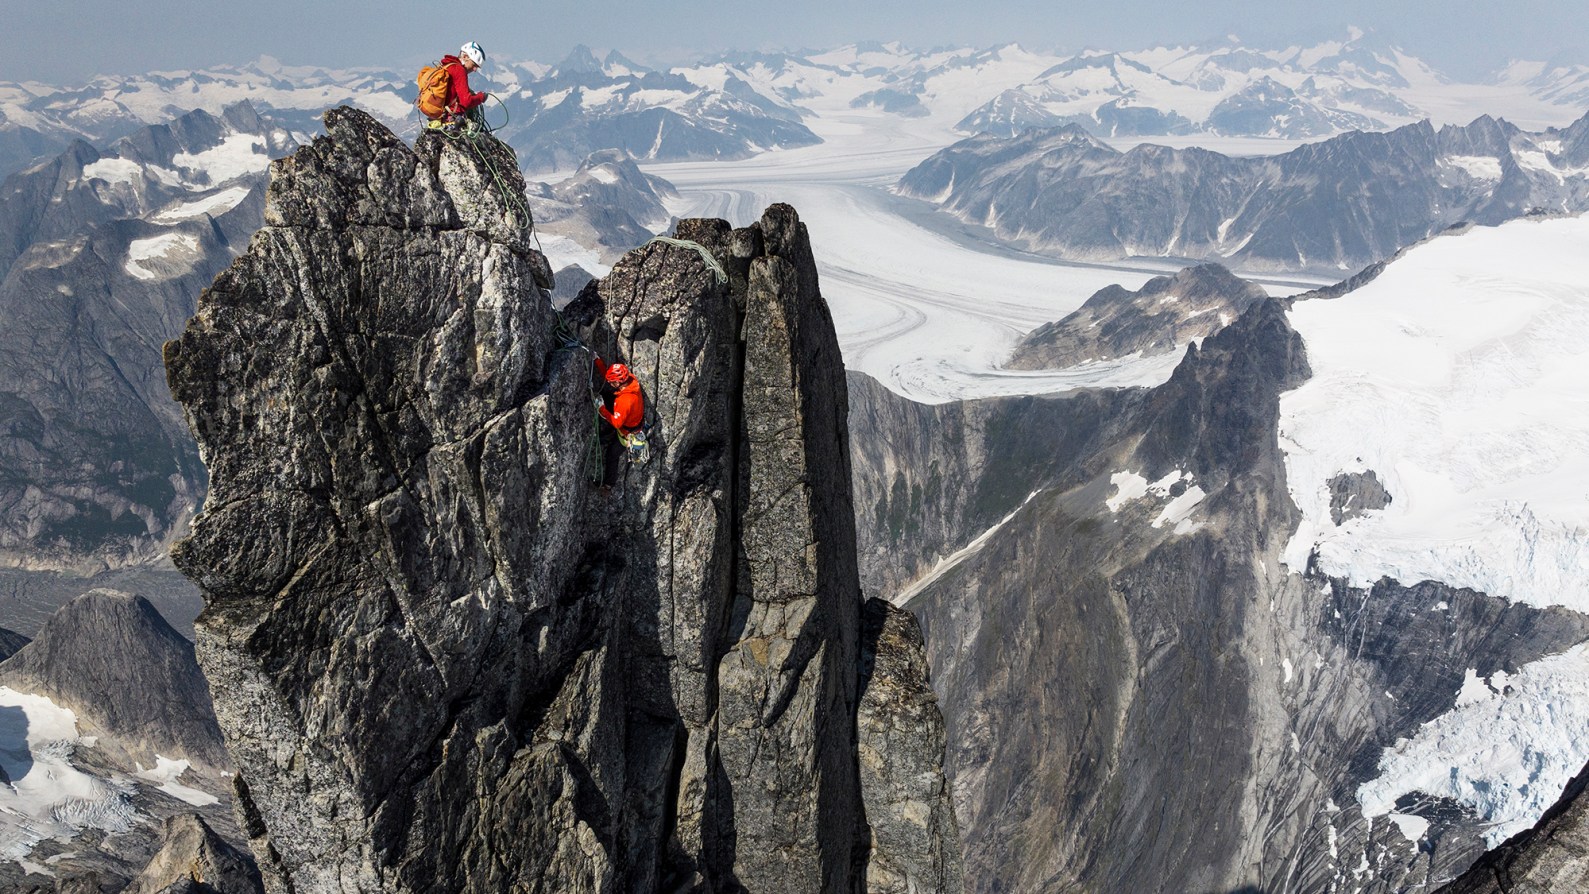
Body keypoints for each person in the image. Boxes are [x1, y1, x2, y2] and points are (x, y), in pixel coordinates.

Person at [593, 357, 647, 488]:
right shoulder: (630, 380)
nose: (610, 383)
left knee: (612, 455)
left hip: (627, 432)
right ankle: (605, 436)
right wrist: (597, 361)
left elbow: (617, 423)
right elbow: (610, 377)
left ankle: (608, 485)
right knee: (608, 396)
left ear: (618, 383)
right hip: (631, 419)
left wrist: (601, 408)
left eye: (612, 382)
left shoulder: (625, 400)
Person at [423, 42, 488, 131]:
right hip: (451, 120)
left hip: (438, 120)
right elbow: (466, 101)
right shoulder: (459, 70)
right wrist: (481, 97)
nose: (475, 69)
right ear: (465, 57)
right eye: (474, 65)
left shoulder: (446, 66)